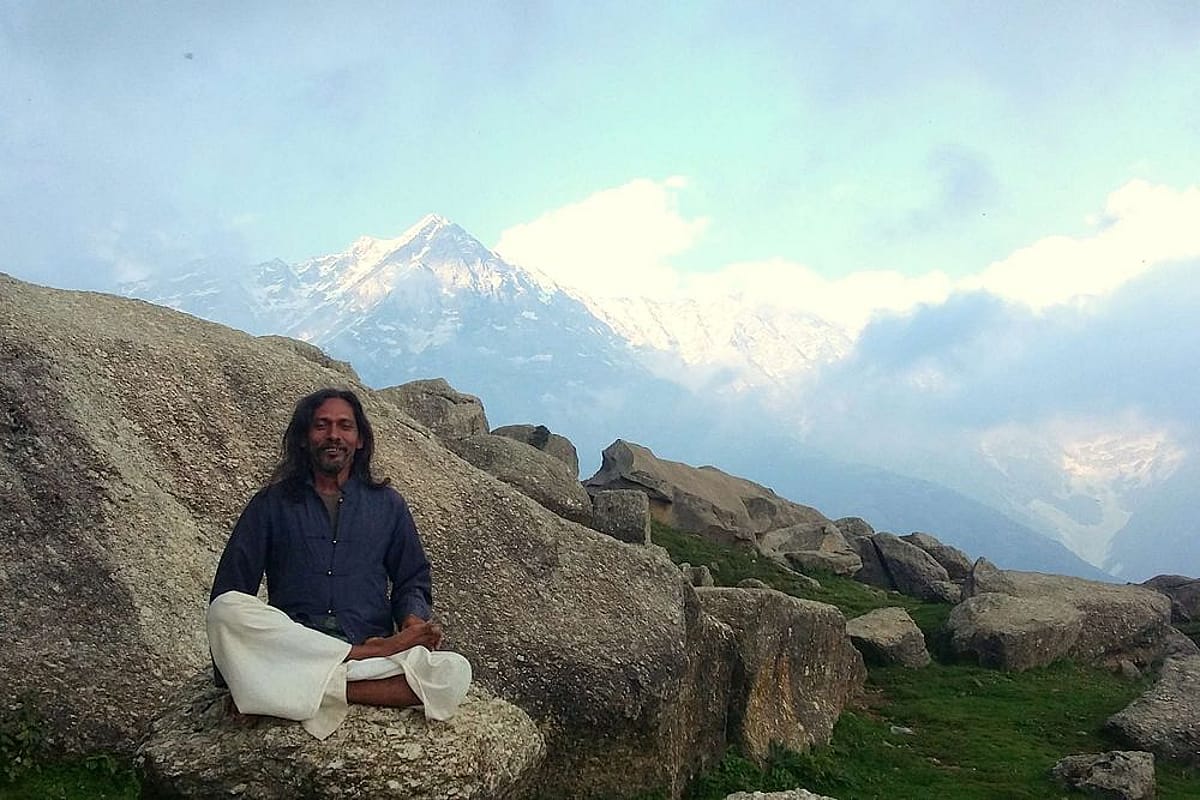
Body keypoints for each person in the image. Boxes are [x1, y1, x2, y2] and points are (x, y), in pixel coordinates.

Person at [208, 388, 469, 732]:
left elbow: (412, 578)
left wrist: (411, 625)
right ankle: (326, 679)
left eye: (345, 426)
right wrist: (234, 663)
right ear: (304, 438)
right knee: (224, 609)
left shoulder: (387, 505)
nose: (334, 435)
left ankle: (288, 690)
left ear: (359, 440)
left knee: (454, 672)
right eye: (322, 426)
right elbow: (233, 590)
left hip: (367, 648)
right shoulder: (272, 504)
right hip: (300, 650)